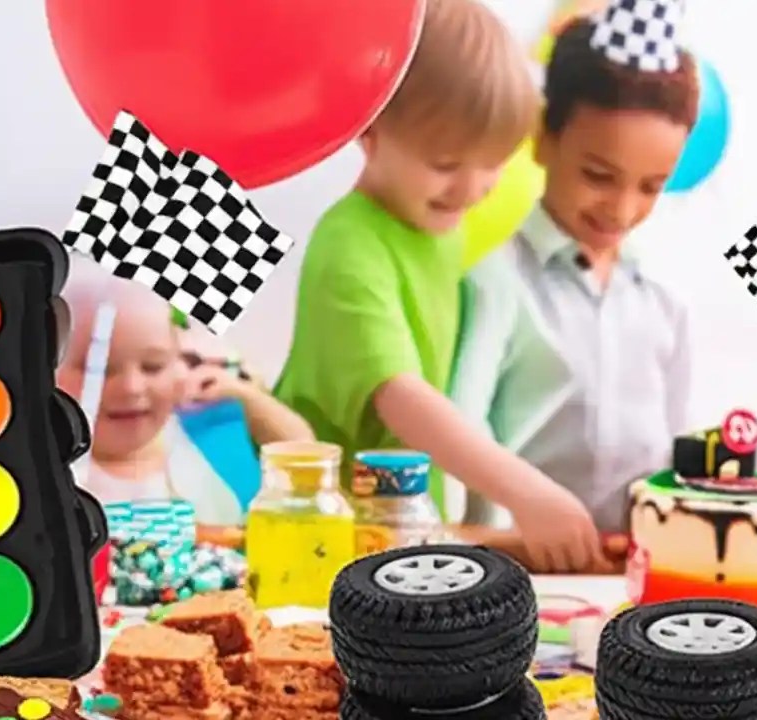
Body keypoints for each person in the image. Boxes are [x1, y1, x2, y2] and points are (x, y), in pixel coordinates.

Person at [274, 0, 610, 573]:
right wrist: (523, 490)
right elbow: (403, 399)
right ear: (371, 130)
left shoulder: (439, 231)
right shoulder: (348, 245)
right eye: (447, 162)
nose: (474, 187)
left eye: (494, 162)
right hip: (321, 535)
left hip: (394, 527)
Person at [451, 0, 698, 534]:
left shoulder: (664, 304)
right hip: (518, 571)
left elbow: (675, 465)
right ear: (544, 140)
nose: (622, 209)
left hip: (634, 573)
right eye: (598, 175)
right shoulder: (496, 281)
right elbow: (457, 446)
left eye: (651, 186)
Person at [59, 261, 312, 525]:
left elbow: (306, 456)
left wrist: (249, 398)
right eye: (101, 370)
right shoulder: (45, 467)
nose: (131, 387)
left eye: (153, 367)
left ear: (179, 364)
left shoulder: (204, 435)